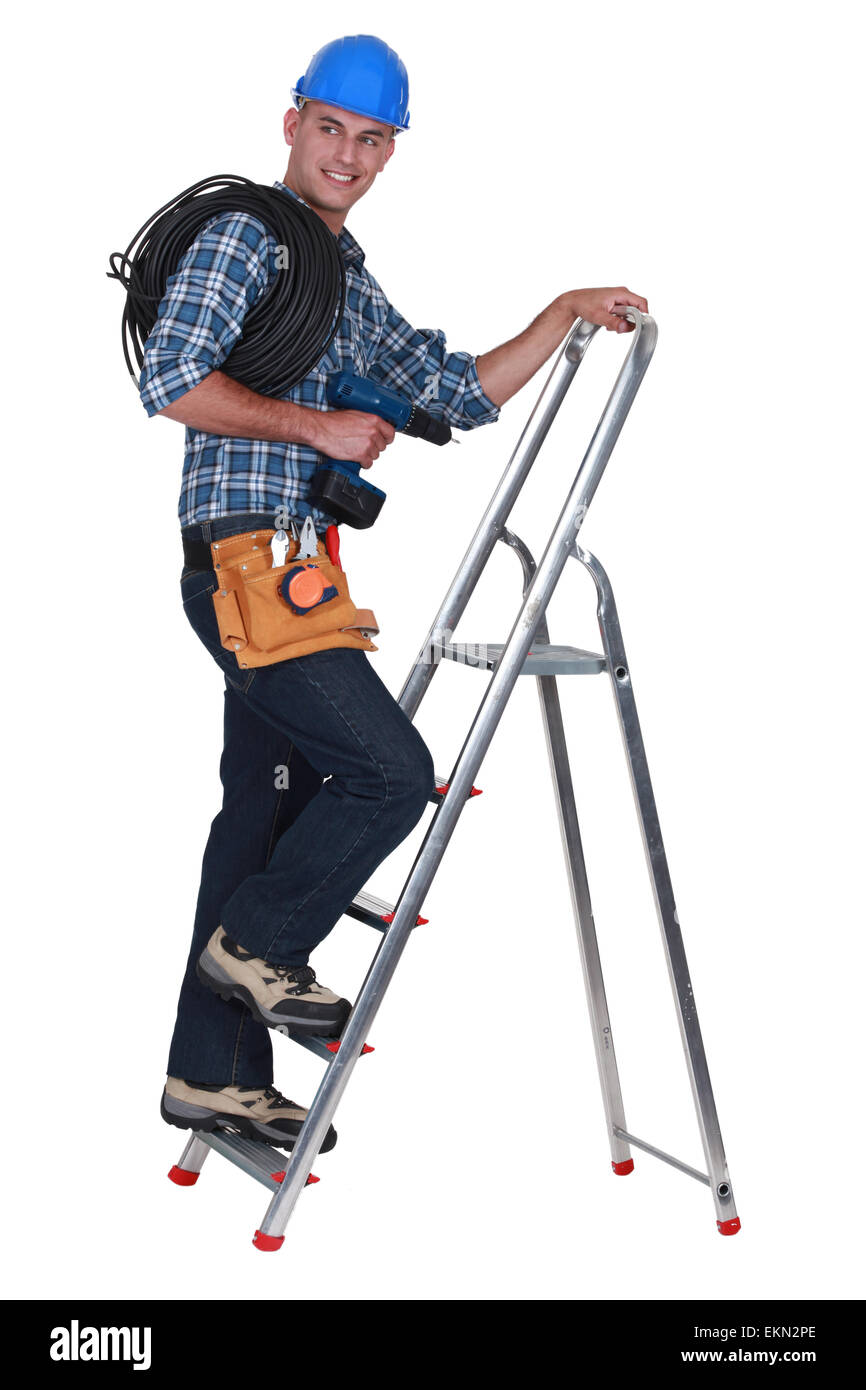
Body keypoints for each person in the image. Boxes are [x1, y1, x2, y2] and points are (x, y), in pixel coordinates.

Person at [142, 33, 648, 1153]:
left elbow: (452, 391)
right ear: (292, 124)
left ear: (389, 151)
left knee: (260, 814)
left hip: (293, 573)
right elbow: (172, 378)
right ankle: (257, 945)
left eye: (372, 140)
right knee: (388, 773)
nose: (349, 154)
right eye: (332, 129)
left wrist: (560, 309)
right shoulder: (246, 239)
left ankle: (208, 1076)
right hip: (240, 562)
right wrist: (315, 424)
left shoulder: (341, 275)